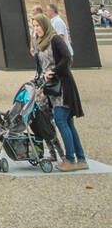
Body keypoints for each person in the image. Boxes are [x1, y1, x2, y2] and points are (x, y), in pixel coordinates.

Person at [32, 15, 87, 171]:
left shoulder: (55, 39)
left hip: (62, 85)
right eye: (34, 26)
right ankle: (80, 158)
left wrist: (54, 71)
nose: (36, 28)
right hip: (51, 86)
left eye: (38, 25)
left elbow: (67, 58)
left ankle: (70, 159)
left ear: (45, 25)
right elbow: (41, 65)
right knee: (67, 122)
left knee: (61, 120)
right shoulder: (40, 42)